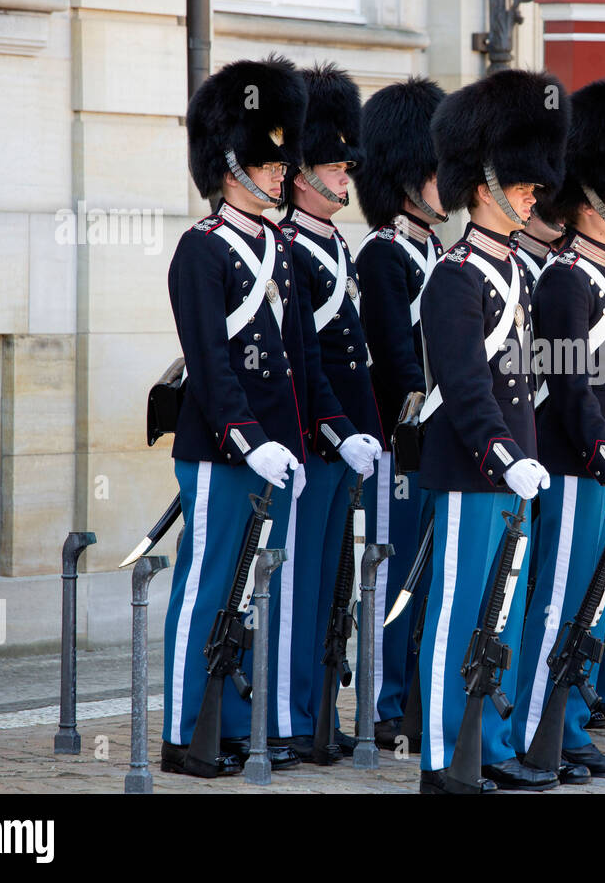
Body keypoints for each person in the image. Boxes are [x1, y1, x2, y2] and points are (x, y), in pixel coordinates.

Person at [163, 55, 351, 776]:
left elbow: (304, 360)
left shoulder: (277, 245)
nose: (283, 173)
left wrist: (328, 432)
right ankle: (184, 731)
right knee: (209, 587)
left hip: (278, 451)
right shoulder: (202, 249)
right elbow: (210, 365)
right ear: (232, 163)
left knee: (247, 597)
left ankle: (235, 723)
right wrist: (249, 442)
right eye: (269, 163)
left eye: (283, 163)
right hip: (221, 450)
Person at [416, 68, 570, 793]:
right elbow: (468, 386)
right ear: (484, 184)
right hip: (473, 469)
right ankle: (445, 757)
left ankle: (493, 742)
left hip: (514, 471)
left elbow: (528, 375)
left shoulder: (518, 273)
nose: (535, 197)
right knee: (457, 617)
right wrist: (505, 455)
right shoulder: (455, 276)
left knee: (499, 618)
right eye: (523, 185)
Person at [511, 76, 605, 779]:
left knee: (592, 606)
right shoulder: (566, 278)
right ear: (590, 197)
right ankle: (540, 726)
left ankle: (569, 724)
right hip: (578, 469)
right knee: (559, 606)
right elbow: (571, 388)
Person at [278, 63, 383, 760]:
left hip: (344, 439)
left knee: (334, 587)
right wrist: (336, 432)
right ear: (301, 172)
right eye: (335, 168)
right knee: (300, 586)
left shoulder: (334, 244)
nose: (347, 180)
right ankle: (290, 716)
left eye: (347, 167)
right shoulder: (287, 246)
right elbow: (306, 359)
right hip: (315, 440)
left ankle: (319, 713)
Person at [351, 77, 447, 748]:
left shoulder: (433, 250)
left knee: (428, 571)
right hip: (398, 442)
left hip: (436, 441)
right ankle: (384, 701)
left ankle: (412, 691)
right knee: (394, 569)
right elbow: (395, 356)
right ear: (408, 178)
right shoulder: (383, 256)